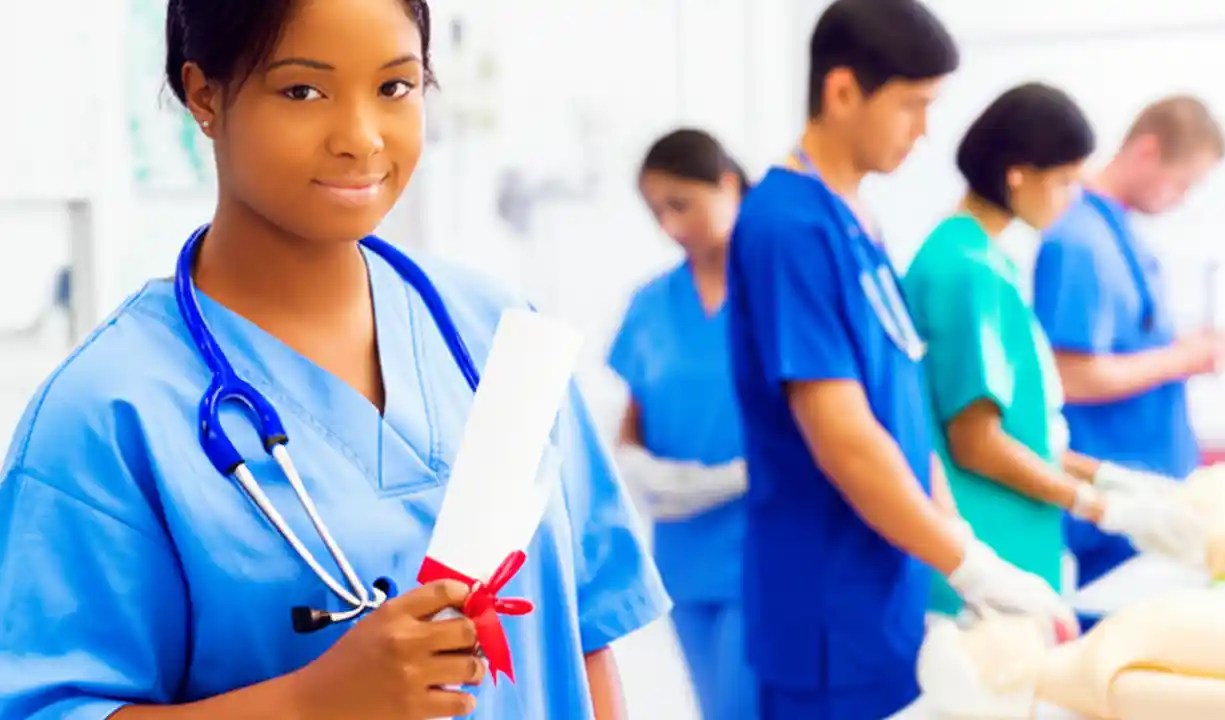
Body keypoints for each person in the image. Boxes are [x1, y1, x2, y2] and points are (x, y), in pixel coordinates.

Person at [0, 0, 670, 718]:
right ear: (204, 95)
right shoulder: (108, 413)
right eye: (302, 92)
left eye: (395, 87)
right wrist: (311, 702)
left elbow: (587, 639)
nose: (361, 138)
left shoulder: (498, 338)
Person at [727, 3, 1078, 718]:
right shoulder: (787, 226)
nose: (924, 132)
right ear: (843, 91)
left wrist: (965, 549)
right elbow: (846, 440)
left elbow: (906, 418)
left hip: (885, 598)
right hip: (825, 614)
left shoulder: (861, 222)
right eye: (913, 105)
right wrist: (968, 563)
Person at [902, 84, 1206, 619]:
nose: (1072, 199)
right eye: (1064, 181)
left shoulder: (988, 261)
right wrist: (1093, 504)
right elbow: (976, 442)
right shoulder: (964, 269)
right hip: (986, 552)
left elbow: (1027, 433)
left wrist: (1111, 479)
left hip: (1017, 543)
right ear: (1018, 174)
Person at [1033, 96, 1225, 588]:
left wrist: (1181, 351)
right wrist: (1180, 359)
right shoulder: (1077, 239)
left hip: (1153, 507)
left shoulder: (1117, 232)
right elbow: (1069, 374)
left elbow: (1128, 346)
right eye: (1182, 182)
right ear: (1147, 151)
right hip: (1115, 518)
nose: (1181, 199)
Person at [609, 129, 757, 720]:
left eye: (681, 205)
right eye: (656, 212)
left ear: (727, 184)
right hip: (684, 554)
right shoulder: (649, 304)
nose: (670, 227)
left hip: (760, 546)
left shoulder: (774, 293)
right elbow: (631, 424)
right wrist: (640, 471)